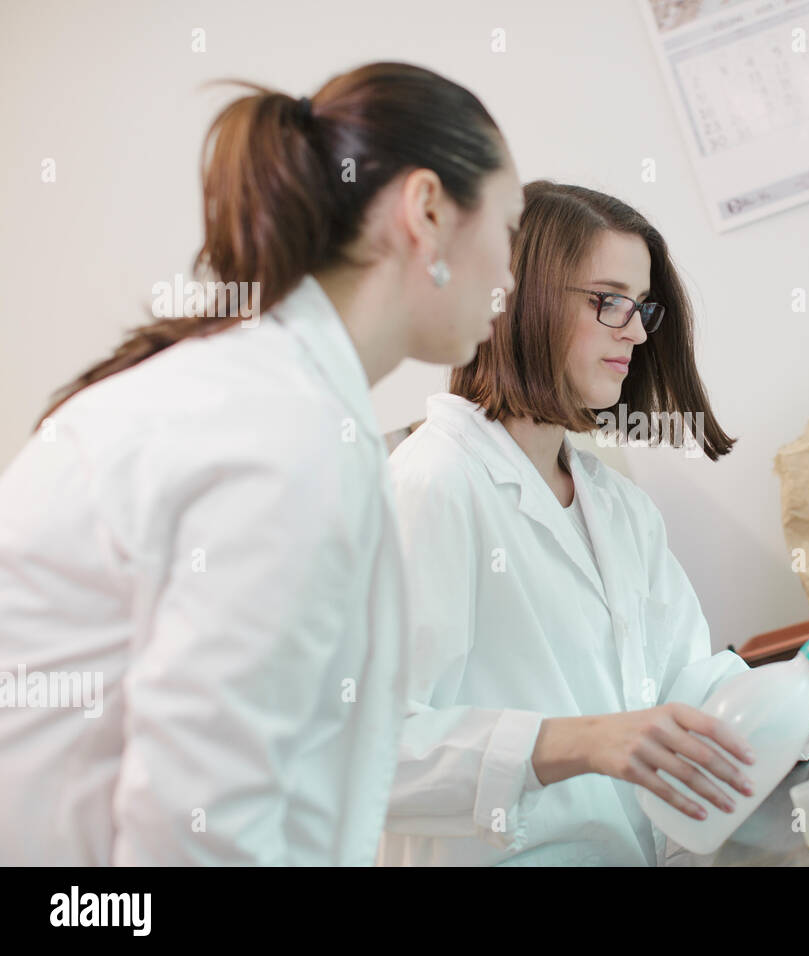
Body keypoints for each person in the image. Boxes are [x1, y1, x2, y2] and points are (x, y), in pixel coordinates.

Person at [380, 181, 809, 865]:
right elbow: (363, 755)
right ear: (519, 299)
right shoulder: (429, 483)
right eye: (609, 301)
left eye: (641, 307)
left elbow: (689, 701)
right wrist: (578, 741)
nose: (638, 331)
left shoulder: (614, 506)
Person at [0, 62, 523, 864]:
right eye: (510, 230)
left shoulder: (277, 398)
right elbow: (197, 829)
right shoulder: (284, 435)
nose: (512, 276)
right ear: (426, 210)